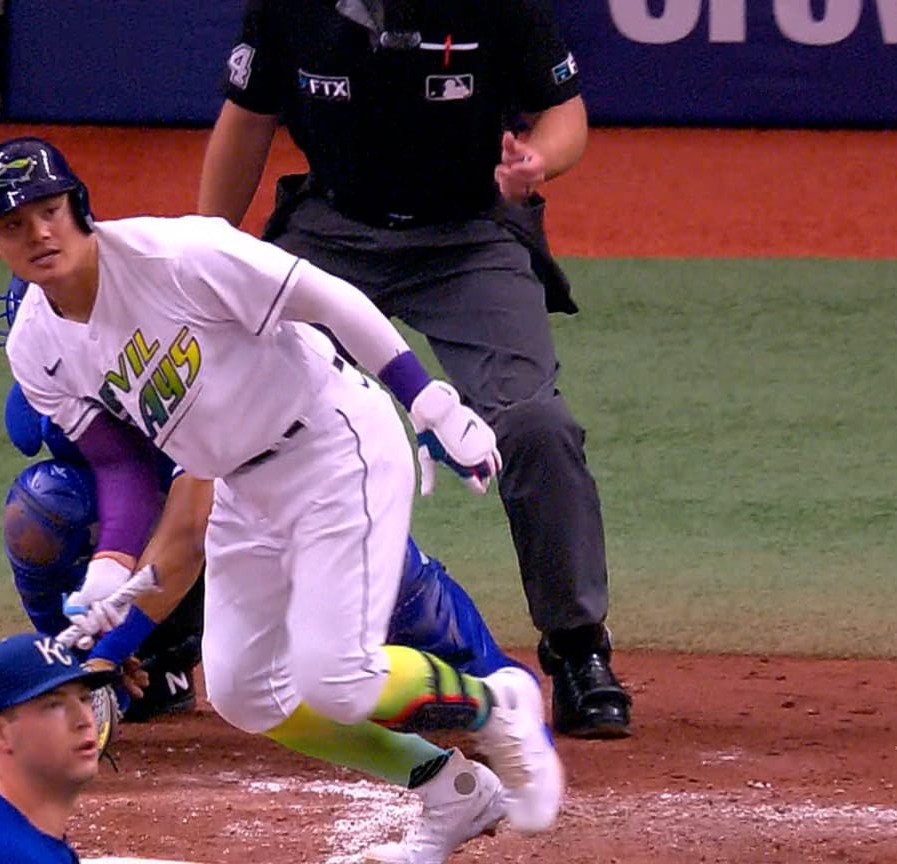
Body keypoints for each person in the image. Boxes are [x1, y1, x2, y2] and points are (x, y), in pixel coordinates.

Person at [0, 135, 564, 864]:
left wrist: (426, 399)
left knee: (336, 678)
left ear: (78, 206)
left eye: (49, 211)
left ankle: (497, 702)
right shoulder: (35, 345)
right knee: (245, 691)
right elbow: (120, 466)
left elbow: (331, 298)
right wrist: (108, 570)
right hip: (242, 486)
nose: (38, 233)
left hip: (330, 442)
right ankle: (452, 790)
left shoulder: (177, 256)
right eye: (13, 223)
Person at [196, 0, 632, 739]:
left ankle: (577, 646)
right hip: (333, 230)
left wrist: (539, 160)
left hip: (470, 236)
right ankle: (172, 640)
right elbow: (247, 120)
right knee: (230, 407)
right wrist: (207, 251)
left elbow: (564, 110)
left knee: (536, 425)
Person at [0, 631, 120, 864]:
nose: (84, 719)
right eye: (54, 705)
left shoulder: (19, 835)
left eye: (84, 698)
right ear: (0, 734)